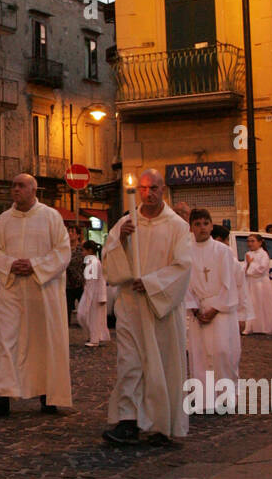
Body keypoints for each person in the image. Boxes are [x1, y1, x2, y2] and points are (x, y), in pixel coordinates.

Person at [102, 169, 192, 448]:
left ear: (162, 189)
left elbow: (183, 266)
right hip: (130, 305)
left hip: (160, 308)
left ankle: (161, 424)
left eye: (153, 188)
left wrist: (153, 284)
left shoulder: (177, 226)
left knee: (162, 365)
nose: (148, 193)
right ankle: (128, 421)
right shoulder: (126, 223)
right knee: (129, 363)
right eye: (143, 188)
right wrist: (122, 241)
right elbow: (108, 259)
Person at [0, 174, 71, 416]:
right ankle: (2, 396)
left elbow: (63, 251)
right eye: (13, 185)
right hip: (13, 290)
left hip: (43, 291)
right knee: (7, 341)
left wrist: (35, 266)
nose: (15, 189)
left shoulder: (51, 216)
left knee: (44, 341)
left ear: (33, 189)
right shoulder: (5, 220)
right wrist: (10, 264)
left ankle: (48, 394)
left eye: (21, 185)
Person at [185, 209, 240, 407]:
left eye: (205, 223)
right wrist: (194, 308)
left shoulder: (223, 251)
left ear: (211, 225)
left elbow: (229, 283)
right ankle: (203, 400)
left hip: (220, 310)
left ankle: (226, 399)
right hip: (198, 309)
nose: (202, 228)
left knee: (223, 352)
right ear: (191, 227)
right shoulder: (186, 252)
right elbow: (185, 283)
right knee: (199, 355)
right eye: (197, 224)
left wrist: (215, 308)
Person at [76, 240, 110, 346]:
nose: (82, 253)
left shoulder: (94, 262)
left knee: (92, 316)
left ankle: (94, 339)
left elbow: (93, 281)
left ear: (89, 250)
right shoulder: (92, 261)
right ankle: (94, 336)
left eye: (84, 250)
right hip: (91, 292)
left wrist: (89, 296)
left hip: (94, 293)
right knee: (86, 315)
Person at [243, 234, 272, 335]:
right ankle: (250, 326)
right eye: (248, 241)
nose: (250, 244)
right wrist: (248, 265)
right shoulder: (248, 254)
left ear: (260, 242)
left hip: (261, 283)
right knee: (251, 304)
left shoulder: (264, 254)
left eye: (252, 241)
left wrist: (250, 265)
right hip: (251, 283)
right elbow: (244, 269)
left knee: (262, 304)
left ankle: (265, 327)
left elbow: (261, 269)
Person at [65, 225, 85, 322]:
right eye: (69, 231)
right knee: (66, 310)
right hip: (67, 284)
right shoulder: (64, 248)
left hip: (80, 283)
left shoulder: (82, 249)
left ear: (78, 235)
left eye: (72, 232)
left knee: (84, 310)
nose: (70, 234)